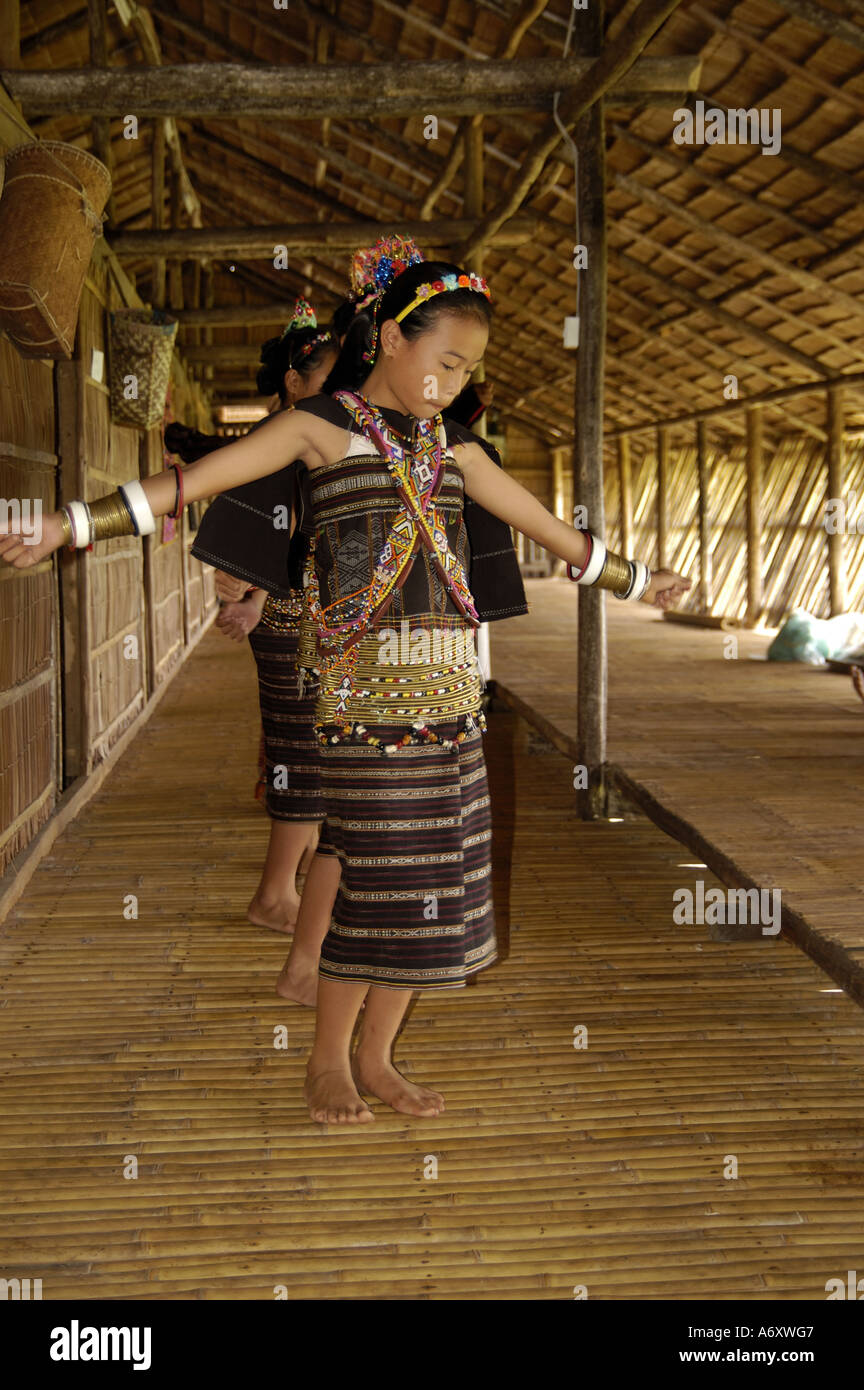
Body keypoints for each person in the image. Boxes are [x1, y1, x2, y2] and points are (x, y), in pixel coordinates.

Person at [1, 241, 690, 1127]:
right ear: (391, 340)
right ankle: (327, 1060)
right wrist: (69, 523)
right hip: (363, 709)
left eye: (468, 370)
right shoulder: (318, 428)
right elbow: (186, 485)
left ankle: (378, 1055)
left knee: (433, 880)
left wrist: (641, 581)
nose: (451, 383)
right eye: (444, 361)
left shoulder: (456, 454)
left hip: (450, 706)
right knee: (371, 875)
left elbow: (556, 536)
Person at [172, 300, 338, 938]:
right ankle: (273, 895)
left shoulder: (304, 443)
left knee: (309, 753)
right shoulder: (278, 448)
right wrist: (246, 596)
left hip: (303, 619)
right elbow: (267, 538)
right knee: (303, 755)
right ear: (294, 383)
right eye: (327, 381)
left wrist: (249, 599)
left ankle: (281, 890)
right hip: (290, 625)